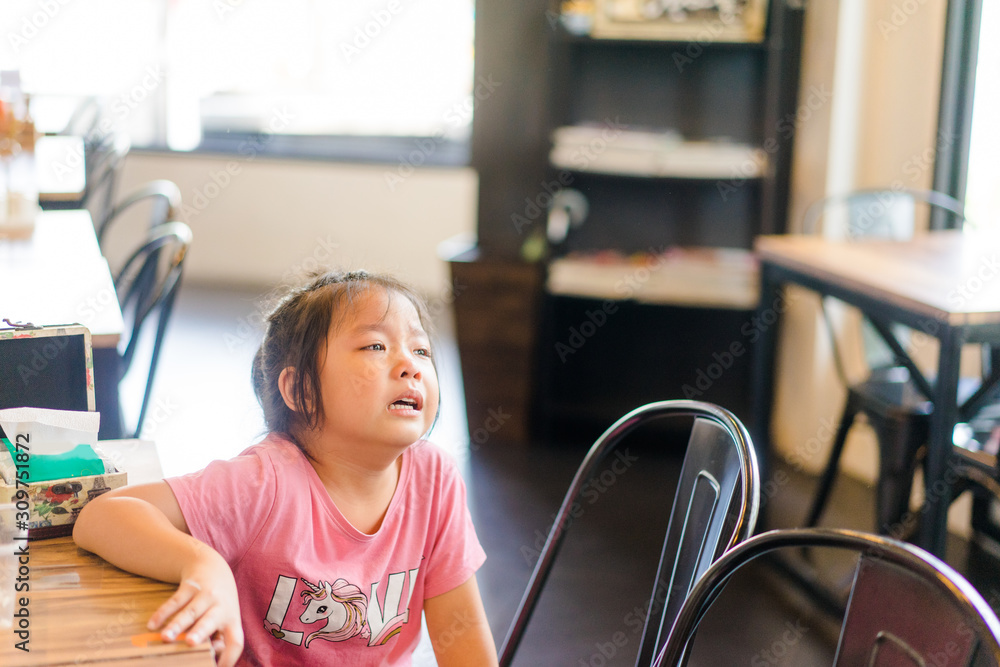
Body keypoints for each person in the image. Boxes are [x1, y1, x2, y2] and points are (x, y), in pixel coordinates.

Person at [74, 270, 498, 667]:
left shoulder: (433, 479)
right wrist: (202, 564)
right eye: (375, 346)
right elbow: (103, 515)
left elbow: (462, 636)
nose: (411, 365)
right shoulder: (265, 482)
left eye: (420, 349)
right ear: (300, 390)